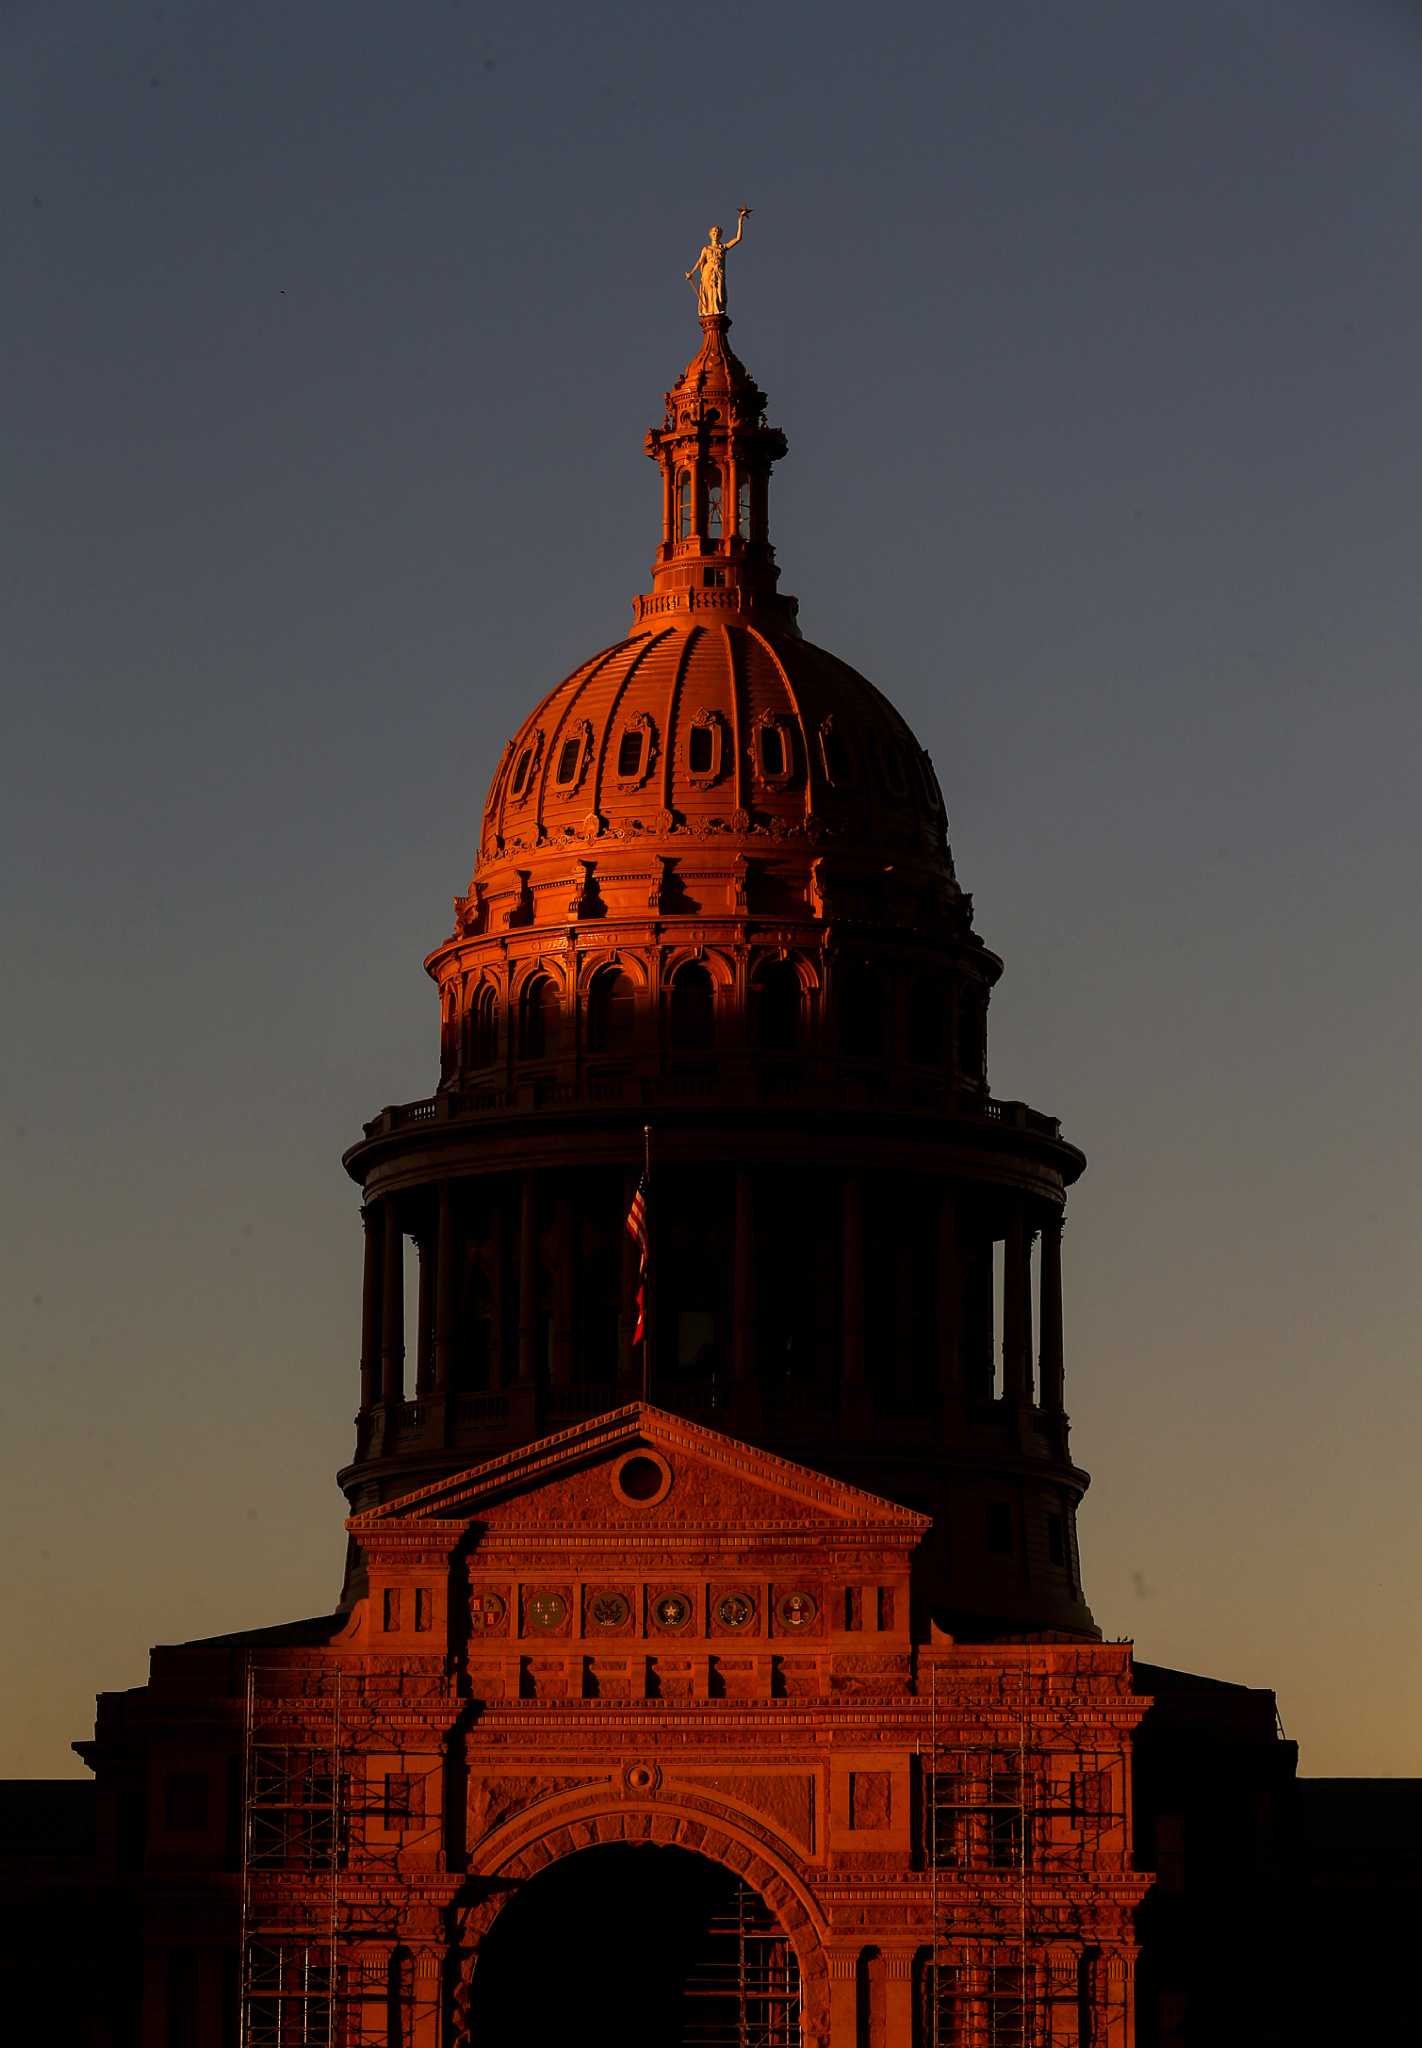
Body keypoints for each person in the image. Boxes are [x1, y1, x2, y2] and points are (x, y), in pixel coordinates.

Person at [686, 207, 751, 316]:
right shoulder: (706, 249)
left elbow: (738, 238)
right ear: (710, 234)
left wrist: (740, 221)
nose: (715, 233)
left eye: (717, 231)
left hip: (719, 272)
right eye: (714, 231)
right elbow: (699, 261)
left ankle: (717, 309)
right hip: (708, 272)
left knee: (719, 292)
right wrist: (691, 273)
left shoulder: (722, 248)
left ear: (720, 234)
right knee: (710, 290)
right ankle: (711, 311)